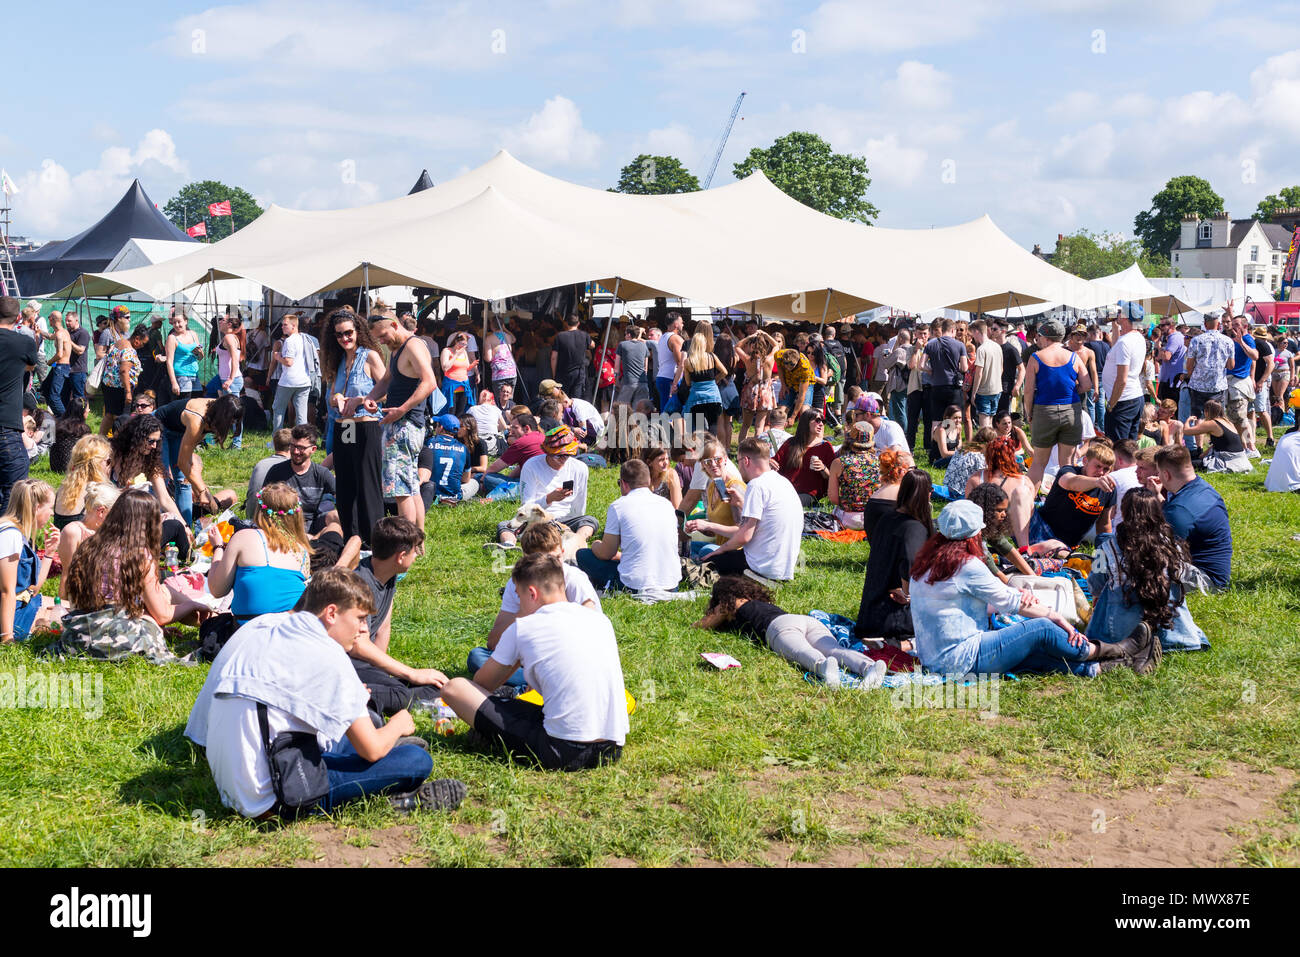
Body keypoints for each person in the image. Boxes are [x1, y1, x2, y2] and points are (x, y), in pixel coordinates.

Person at [185, 567, 467, 818]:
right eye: (359, 619)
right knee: (416, 761)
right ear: (331, 613)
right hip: (275, 795)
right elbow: (371, 750)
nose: (363, 630)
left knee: (354, 732)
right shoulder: (329, 654)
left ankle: (382, 755)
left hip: (229, 781)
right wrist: (399, 724)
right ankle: (397, 795)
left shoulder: (262, 626)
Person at [909, 500, 1158, 677]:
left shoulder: (926, 564)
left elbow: (965, 605)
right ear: (973, 536)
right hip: (962, 659)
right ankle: (1104, 650)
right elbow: (1010, 603)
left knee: (1032, 655)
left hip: (936, 659)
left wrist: (1016, 596)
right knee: (1041, 629)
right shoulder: (966, 565)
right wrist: (1056, 617)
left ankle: (1108, 667)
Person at [439, 553, 628, 771]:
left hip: (562, 750)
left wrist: (513, 659)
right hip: (611, 748)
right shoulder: (600, 620)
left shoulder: (524, 627)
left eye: (519, 598)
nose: (519, 607)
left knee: (455, 688)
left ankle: (489, 735)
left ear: (532, 593)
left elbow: (482, 685)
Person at [695, 575, 886, 687]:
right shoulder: (759, 602)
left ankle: (824, 668)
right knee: (835, 650)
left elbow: (703, 625)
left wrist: (700, 620)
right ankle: (869, 667)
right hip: (805, 621)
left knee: (801, 652)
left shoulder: (729, 604)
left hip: (778, 627)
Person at [473, 521, 601, 686]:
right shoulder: (518, 584)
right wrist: (524, 613)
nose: (552, 567)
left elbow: (592, 635)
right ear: (526, 560)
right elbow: (493, 642)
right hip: (532, 652)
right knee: (477, 657)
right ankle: (536, 682)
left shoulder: (574, 579)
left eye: (556, 558)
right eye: (542, 562)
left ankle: (532, 684)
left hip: (568, 659)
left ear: (562, 552)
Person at [63, 489, 210, 628]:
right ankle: (213, 622)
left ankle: (212, 621)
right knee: (166, 593)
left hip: (81, 628)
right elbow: (163, 616)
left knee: (159, 597)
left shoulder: (88, 545)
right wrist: (191, 605)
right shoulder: (139, 555)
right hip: (116, 633)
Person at [1086, 487, 1208, 654]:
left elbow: (1095, 584)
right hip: (1172, 627)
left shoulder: (1106, 548)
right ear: (1157, 513)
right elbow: (1185, 580)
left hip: (1122, 629)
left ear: (1124, 512)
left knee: (1108, 587)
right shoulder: (1173, 546)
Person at [357, 312, 438, 529]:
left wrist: (402, 410)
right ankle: (417, 539)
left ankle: (405, 540)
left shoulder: (413, 346)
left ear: (394, 325)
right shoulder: (397, 349)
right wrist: (370, 398)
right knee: (411, 487)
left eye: (383, 335)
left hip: (405, 426)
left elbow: (430, 382)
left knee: (401, 490)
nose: (382, 341)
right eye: (378, 339)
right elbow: (386, 379)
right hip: (403, 424)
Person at [693, 437, 802, 581]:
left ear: (745, 461)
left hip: (761, 567)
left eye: (738, 461)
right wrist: (741, 504)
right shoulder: (783, 482)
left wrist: (721, 550)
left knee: (706, 557)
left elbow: (744, 536)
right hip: (784, 567)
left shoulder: (756, 485)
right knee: (703, 551)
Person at [320, 309, 386, 544]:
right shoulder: (336, 360)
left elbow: (386, 391)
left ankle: (374, 540)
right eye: (339, 335)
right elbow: (331, 397)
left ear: (358, 331)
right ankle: (352, 537)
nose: (344, 338)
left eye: (348, 333)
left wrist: (361, 400)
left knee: (367, 483)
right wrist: (337, 398)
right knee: (346, 483)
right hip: (344, 426)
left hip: (365, 426)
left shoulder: (370, 356)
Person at [208, 482, 313, 625]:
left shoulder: (243, 536)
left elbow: (217, 590)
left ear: (259, 510)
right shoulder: (302, 550)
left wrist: (218, 547)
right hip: (291, 628)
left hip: (250, 629)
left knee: (211, 626)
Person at [576, 458, 682, 593]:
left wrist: (596, 544)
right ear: (649, 480)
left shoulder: (618, 506)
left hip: (634, 586)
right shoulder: (666, 505)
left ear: (624, 484)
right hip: (671, 584)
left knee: (582, 555)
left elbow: (606, 553)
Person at [854, 468, 933, 643]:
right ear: (927, 494)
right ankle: (900, 645)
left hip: (871, 613)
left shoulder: (887, 518)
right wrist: (907, 594)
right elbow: (910, 565)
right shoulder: (914, 528)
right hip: (894, 618)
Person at [1150, 444, 1232, 590]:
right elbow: (1183, 516)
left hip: (1206, 580)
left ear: (1166, 475)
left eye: (1159, 472)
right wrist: (1157, 495)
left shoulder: (1180, 510)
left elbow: (1159, 551)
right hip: (1217, 573)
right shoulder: (1202, 488)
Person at [502, 425, 597, 547]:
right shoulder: (531, 465)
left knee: (589, 521)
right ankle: (509, 544)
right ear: (547, 452)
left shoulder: (580, 468)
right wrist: (549, 499)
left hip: (566, 520)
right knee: (504, 525)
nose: (563, 459)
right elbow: (526, 505)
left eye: (568, 454)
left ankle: (577, 541)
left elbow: (580, 501)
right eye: (558, 455)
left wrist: (578, 520)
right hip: (538, 519)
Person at [1023, 318, 1091, 491]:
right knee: (1067, 465)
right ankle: (1069, 501)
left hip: (1044, 410)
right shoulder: (1074, 357)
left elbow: (1028, 391)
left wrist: (1029, 412)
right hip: (1071, 410)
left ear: (1045, 337)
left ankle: (1028, 501)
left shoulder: (1036, 357)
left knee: (1039, 463)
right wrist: (1072, 391)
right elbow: (1087, 385)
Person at [156, 394, 243, 526]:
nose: (232, 424)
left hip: (178, 431)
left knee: (183, 481)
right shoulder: (197, 422)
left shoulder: (219, 407)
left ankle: (186, 527)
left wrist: (201, 490)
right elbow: (182, 463)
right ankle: (158, 525)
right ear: (222, 416)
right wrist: (203, 491)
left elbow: (187, 463)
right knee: (162, 479)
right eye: (231, 421)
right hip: (158, 426)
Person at [0, 479, 62, 642]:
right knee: (73, 623)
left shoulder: (17, 533)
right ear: (37, 508)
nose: (52, 513)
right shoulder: (10, 536)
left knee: (70, 608)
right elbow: (6, 592)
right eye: (50, 507)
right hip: (12, 617)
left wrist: (49, 553)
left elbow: (32, 589)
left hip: (21, 605)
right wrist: (7, 639)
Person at [1029, 442, 1116, 549]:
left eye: (1106, 469)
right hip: (1042, 529)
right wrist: (1096, 482)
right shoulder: (1069, 471)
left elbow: (1104, 524)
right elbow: (1070, 482)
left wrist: (1108, 549)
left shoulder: (1108, 490)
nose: (1101, 472)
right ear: (1085, 461)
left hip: (1067, 545)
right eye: (1098, 466)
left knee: (1059, 553)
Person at [0, 299, 40, 512]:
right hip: (6, 425)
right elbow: (31, 365)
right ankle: (6, 529)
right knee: (15, 488)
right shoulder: (23, 342)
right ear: (18, 318)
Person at [260, 424, 336, 534]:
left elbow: (342, 499)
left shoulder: (322, 473)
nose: (295, 451)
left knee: (335, 517)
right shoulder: (276, 472)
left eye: (301, 448)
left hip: (314, 526)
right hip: (284, 526)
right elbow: (263, 505)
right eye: (293, 446)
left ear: (313, 449)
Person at [923, 318, 968, 461]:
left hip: (936, 386)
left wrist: (931, 371)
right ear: (953, 330)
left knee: (936, 421)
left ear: (941, 329)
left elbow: (921, 365)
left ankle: (935, 453)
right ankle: (952, 449)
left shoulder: (930, 344)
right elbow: (964, 368)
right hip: (953, 387)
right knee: (955, 420)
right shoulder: (959, 345)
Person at [1102, 304, 1147, 442]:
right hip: (1133, 397)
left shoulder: (1125, 342)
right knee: (1129, 445)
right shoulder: (1137, 337)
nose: (1117, 314)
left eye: (1120, 312)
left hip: (1123, 400)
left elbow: (1122, 379)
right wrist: (1115, 326)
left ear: (1125, 317)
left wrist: (1111, 404)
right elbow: (1116, 345)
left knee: (1118, 446)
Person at [474, 413, 544, 500]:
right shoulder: (542, 437)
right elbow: (521, 467)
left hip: (528, 487)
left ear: (526, 428)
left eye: (515, 427)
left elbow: (495, 467)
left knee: (485, 477)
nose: (511, 431)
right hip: (542, 485)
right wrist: (508, 479)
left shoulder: (522, 442)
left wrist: (482, 480)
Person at [1170, 399, 1252, 473]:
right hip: (1242, 461)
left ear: (1207, 411)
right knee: (1193, 461)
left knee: (1184, 465)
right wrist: (1202, 455)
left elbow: (1186, 431)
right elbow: (1221, 443)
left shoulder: (1212, 423)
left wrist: (1188, 420)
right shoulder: (1227, 422)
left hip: (1227, 461)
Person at [1182, 310, 1235, 421]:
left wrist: (1191, 375)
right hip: (1218, 385)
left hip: (1198, 385)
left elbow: (1189, 365)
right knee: (1217, 418)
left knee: (1198, 418)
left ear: (1205, 324)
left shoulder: (1196, 341)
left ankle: (1199, 433)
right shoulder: (1228, 341)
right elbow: (1231, 365)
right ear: (1219, 324)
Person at [775, 409, 836, 506]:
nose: (821, 424)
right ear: (806, 422)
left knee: (787, 503)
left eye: (823, 421)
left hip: (809, 494)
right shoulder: (791, 443)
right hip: (786, 489)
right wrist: (770, 462)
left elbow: (833, 478)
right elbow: (776, 462)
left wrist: (823, 468)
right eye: (817, 420)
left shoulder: (825, 447)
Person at [827, 421, 879, 530]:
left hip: (848, 520)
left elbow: (833, 498)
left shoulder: (839, 462)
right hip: (874, 519)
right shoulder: (880, 462)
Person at [53, 435, 112, 529]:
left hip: (60, 538)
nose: (110, 466)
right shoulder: (96, 492)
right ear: (95, 464)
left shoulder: (63, 488)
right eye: (108, 461)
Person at [97, 312, 141, 438]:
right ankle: (118, 443)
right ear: (118, 319)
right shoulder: (107, 333)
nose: (129, 320)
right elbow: (99, 353)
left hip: (113, 383)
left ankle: (100, 440)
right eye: (126, 317)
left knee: (110, 415)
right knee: (119, 417)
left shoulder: (125, 335)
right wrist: (115, 356)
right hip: (117, 384)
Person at [419, 413, 478, 507]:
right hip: (452, 495)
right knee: (474, 483)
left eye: (437, 425)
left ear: (441, 427)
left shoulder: (429, 442)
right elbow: (466, 479)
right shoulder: (463, 448)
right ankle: (448, 499)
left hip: (429, 492)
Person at [675, 331, 726, 434]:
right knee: (713, 424)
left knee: (699, 426)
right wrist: (714, 380)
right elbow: (724, 372)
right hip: (713, 396)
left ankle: (701, 443)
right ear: (704, 344)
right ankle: (712, 443)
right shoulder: (711, 357)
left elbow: (688, 383)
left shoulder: (688, 361)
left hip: (697, 397)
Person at [270, 313, 312, 431]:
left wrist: (277, 357)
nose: (282, 327)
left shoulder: (289, 341)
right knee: (301, 414)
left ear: (293, 326)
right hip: (304, 380)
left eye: (285, 325)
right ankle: (302, 439)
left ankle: (277, 438)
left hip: (288, 381)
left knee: (278, 409)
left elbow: (289, 362)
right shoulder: (304, 339)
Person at [735, 327, 778, 443]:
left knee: (745, 425)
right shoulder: (770, 359)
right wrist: (765, 334)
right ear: (765, 346)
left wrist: (750, 337)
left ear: (752, 346)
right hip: (765, 392)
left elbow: (737, 346)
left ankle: (741, 448)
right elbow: (776, 345)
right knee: (760, 426)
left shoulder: (748, 359)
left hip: (750, 391)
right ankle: (756, 449)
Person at [862, 448, 914, 537]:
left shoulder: (875, 495)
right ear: (903, 471)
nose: (916, 472)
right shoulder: (906, 495)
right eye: (913, 468)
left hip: (875, 544)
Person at [246, 428, 293, 520]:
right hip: (272, 520)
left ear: (274, 445)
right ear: (292, 446)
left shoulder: (260, 464)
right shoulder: (288, 466)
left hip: (252, 516)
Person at [944, 427, 995, 501]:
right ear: (988, 443)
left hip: (950, 489)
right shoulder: (979, 456)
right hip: (963, 494)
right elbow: (985, 478)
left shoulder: (963, 448)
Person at [969, 320, 1003, 428]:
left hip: (984, 391)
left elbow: (979, 373)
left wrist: (974, 393)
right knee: (991, 423)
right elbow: (1001, 369)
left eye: (972, 333)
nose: (972, 336)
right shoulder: (997, 346)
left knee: (984, 426)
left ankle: (986, 440)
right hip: (997, 389)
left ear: (976, 331)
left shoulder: (981, 349)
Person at [165, 310, 203, 403]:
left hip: (194, 375)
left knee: (196, 404)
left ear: (186, 321)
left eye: (179, 322)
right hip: (181, 376)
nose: (176, 325)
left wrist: (199, 352)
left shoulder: (193, 334)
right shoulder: (172, 338)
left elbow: (200, 357)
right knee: (184, 405)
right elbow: (169, 362)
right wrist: (174, 383)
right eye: (174, 322)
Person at [551, 314, 590, 403]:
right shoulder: (584, 335)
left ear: (566, 323)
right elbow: (592, 345)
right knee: (576, 400)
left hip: (563, 373)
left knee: (562, 398)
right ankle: (574, 411)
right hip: (579, 373)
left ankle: (564, 412)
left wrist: (554, 375)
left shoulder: (560, 336)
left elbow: (553, 357)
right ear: (578, 323)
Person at [49, 397, 91, 475]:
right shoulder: (83, 429)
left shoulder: (58, 425)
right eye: (87, 409)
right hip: (72, 468)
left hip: (55, 466)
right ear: (82, 412)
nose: (89, 410)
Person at [614, 323, 652, 407]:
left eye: (625, 334)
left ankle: (623, 417)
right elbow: (645, 367)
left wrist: (616, 380)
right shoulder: (644, 346)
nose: (624, 336)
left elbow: (616, 367)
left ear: (628, 334)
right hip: (643, 382)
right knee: (639, 408)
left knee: (623, 407)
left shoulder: (622, 344)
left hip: (628, 382)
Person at [440, 329, 477, 416]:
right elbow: (445, 367)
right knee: (451, 411)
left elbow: (465, 368)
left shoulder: (464, 352)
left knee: (461, 412)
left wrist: (472, 366)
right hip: (451, 386)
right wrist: (456, 355)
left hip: (464, 385)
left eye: (465, 345)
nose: (463, 347)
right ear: (456, 342)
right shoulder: (447, 351)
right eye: (462, 344)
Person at [654, 312, 686, 411]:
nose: (683, 324)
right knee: (671, 411)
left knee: (665, 409)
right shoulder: (675, 338)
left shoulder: (663, 337)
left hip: (662, 376)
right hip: (671, 378)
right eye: (681, 322)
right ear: (676, 324)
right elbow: (680, 362)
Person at [44, 311, 73, 417]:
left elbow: (59, 354)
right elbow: (50, 336)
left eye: (48, 317)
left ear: (51, 319)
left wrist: (49, 362)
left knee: (54, 396)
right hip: (59, 366)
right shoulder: (62, 332)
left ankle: (63, 418)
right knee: (45, 387)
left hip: (61, 367)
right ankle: (57, 413)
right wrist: (38, 331)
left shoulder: (60, 334)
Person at [641, 445, 683, 510]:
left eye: (667, 458)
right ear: (649, 462)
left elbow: (677, 507)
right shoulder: (640, 478)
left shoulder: (671, 475)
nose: (666, 463)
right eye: (661, 460)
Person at [63, 311, 91, 411]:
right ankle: (65, 416)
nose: (67, 323)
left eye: (69, 321)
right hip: (66, 369)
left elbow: (80, 351)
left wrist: (68, 341)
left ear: (76, 320)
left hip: (78, 370)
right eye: (66, 321)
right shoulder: (68, 332)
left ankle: (82, 415)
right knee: (64, 395)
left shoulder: (83, 333)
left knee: (78, 397)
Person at [484, 324, 518, 406]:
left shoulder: (489, 339)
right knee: (509, 398)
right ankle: (509, 412)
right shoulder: (508, 336)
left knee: (499, 399)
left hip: (499, 373)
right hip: (511, 372)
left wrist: (484, 356)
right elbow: (514, 339)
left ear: (492, 326)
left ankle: (502, 413)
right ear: (502, 325)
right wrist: (505, 329)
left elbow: (488, 358)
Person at [929, 404, 963, 468]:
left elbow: (959, 445)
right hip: (938, 461)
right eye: (955, 418)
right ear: (947, 418)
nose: (958, 420)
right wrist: (961, 453)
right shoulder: (941, 430)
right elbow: (944, 454)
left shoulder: (958, 427)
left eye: (960, 418)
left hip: (953, 457)